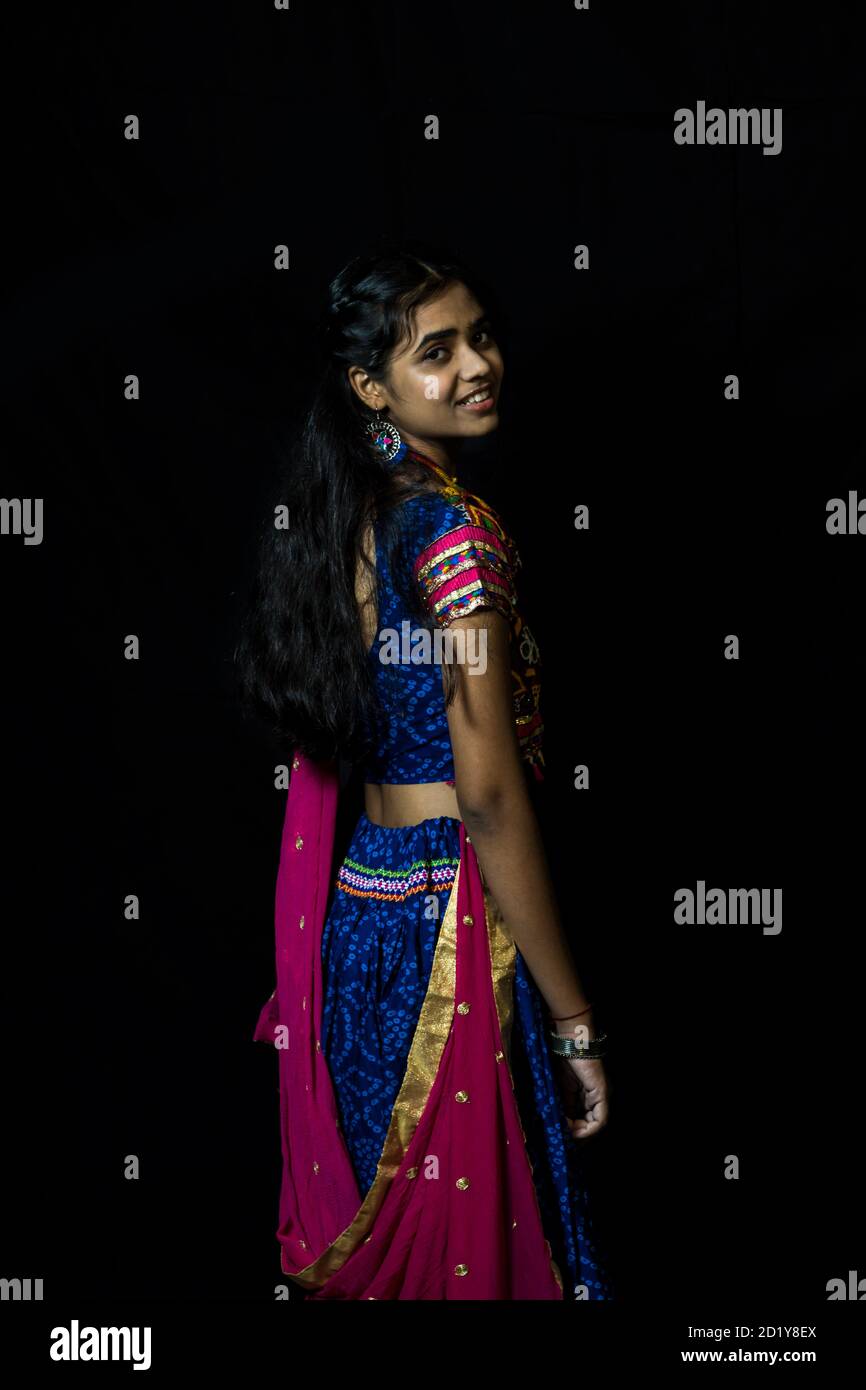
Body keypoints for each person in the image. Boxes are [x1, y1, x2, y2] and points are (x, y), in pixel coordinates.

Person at [236, 238, 614, 1300]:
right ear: (372, 387)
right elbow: (488, 794)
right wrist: (575, 1021)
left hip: (361, 921)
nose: (476, 365)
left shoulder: (351, 519)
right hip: (453, 933)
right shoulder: (451, 531)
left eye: (480, 337)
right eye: (435, 352)